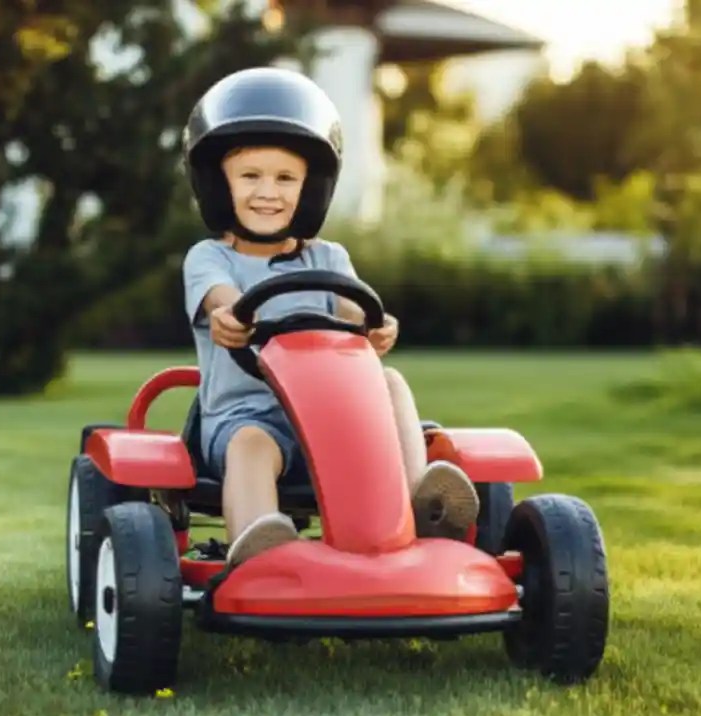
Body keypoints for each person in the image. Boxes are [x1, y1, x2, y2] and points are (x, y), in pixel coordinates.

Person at [180, 67, 479, 568]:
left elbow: (352, 308)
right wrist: (230, 315)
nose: (267, 192)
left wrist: (374, 324)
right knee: (252, 446)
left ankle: (420, 502)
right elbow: (221, 299)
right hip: (245, 418)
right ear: (218, 184)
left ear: (309, 188)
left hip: (331, 419)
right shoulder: (210, 258)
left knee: (391, 382)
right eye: (250, 176)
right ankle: (260, 550)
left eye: (285, 178)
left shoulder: (329, 258)